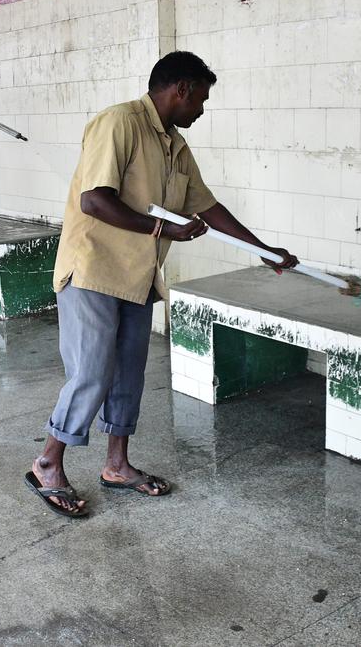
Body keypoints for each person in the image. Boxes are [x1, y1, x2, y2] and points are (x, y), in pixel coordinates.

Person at [25, 52, 300, 518]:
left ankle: (116, 465)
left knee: (129, 375)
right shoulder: (119, 123)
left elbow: (207, 206)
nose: (202, 110)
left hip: (137, 277)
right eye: (202, 99)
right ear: (182, 90)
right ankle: (46, 464)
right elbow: (94, 200)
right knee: (92, 373)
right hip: (92, 269)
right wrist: (162, 231)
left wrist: (264, 250)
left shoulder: (176, 146)